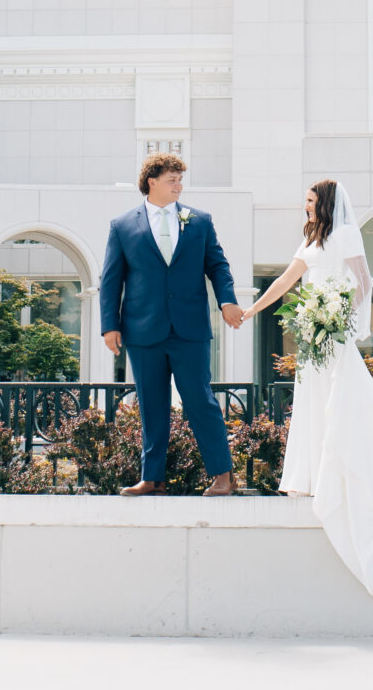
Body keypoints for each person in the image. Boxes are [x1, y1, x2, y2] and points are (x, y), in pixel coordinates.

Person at [243, 179, 373, 596]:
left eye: (312, 202)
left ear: (327, 203)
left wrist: (336, 317)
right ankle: (310, 474)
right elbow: (284, 281)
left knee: (341, 402)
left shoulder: (346, 233)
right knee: (313, 401)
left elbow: (363, 282)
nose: (306, 208)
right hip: (312, 337)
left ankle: (346, 468)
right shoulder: (310, 241)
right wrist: (251, 311)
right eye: (305, 202)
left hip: (333, 334)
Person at [99, 152, 244, 496]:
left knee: (200, 400)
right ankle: (152, 479)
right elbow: (111, 278)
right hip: (142, 330)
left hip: (190, 329)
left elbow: (218, 266)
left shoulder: (199, 221)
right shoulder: (122, 226)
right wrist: (110, 325)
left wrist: (227, 300)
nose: (179, 186)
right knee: (151, 404)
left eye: (180, 180)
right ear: (152, 182)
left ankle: (223, 476)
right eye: (172, 180)